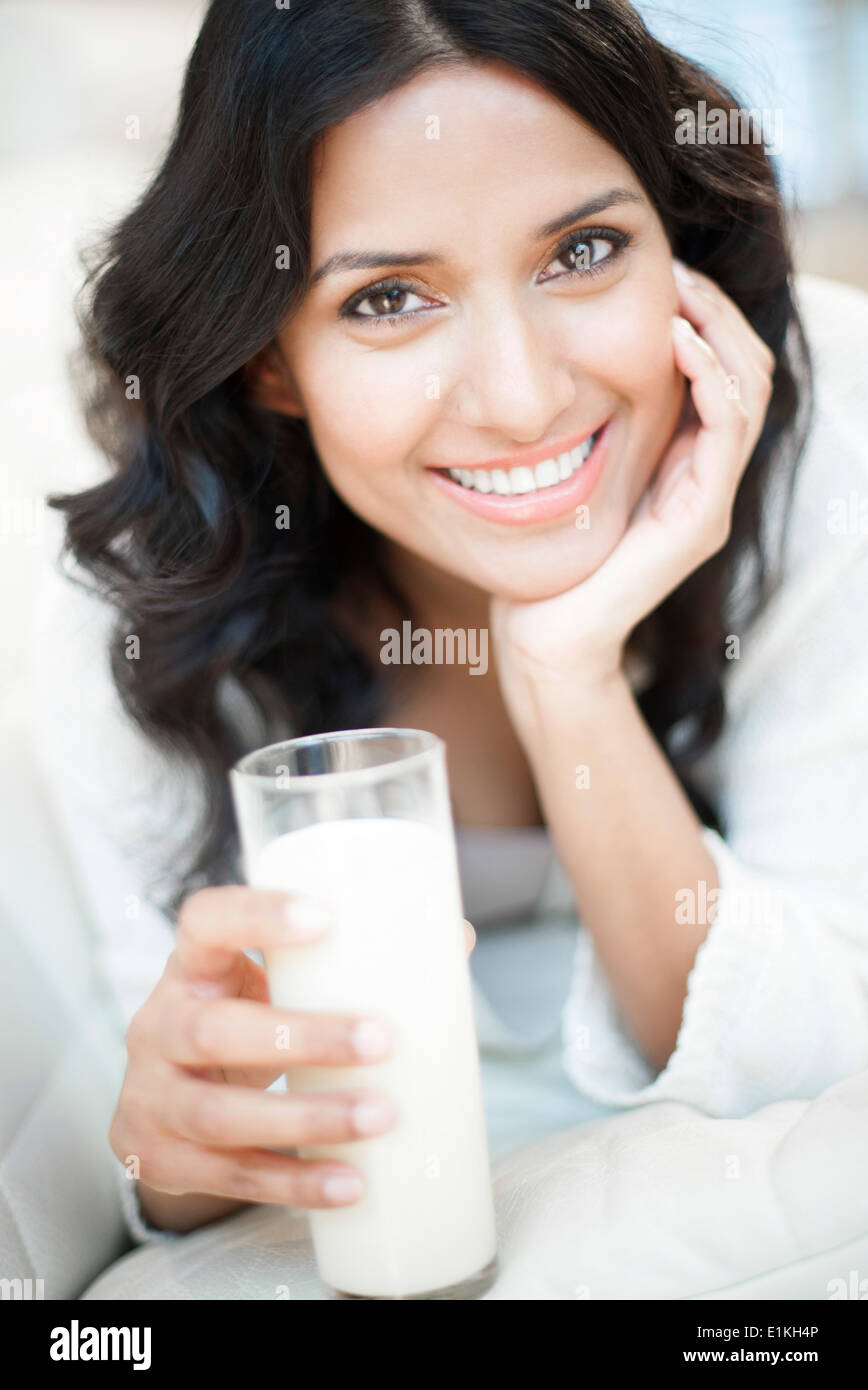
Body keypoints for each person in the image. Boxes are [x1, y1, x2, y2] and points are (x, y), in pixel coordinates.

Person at [33, 0, 868, 1245]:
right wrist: (178, 1157)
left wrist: (566, 673)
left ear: (677, 249)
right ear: (269, 359)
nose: (524, 397)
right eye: (387, 300)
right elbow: (172, 1138)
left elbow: (821, 1054)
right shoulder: (147, 591)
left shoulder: (824, 427)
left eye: (582, 251)